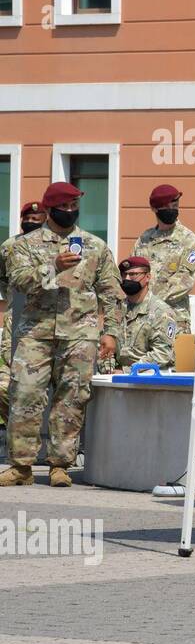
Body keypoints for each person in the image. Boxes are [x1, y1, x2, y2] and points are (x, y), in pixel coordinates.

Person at [0, 183, 122, 488]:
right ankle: (21, 467)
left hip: (80, 335)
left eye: (73, 207)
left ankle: (60, 465)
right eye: (63, 207)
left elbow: (111, 293)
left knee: (71, 400)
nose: (69, 212)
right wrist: (51, 266)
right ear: (49, 208)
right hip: (35, 334)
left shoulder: (95, 246)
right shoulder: (22, 245)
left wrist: (112, 334)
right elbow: (19, 281)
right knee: (24, 395)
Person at [133, 183, 195, 335]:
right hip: (142, 319)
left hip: (173, 318)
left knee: (173, 359)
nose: (173, 210)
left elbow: (184, 281)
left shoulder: (189, 239)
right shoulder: (144, 239)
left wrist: (150, 302)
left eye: (175, 205)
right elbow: (134, 274)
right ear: (154, 209)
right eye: (167, 207)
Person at [0, 201, 46, 423]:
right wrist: (12, 300)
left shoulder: (52, 245)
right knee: (11, 372)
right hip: (16, 315)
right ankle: (16, 427)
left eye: (36, 220)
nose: (30, 223)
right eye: (27, 220)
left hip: (45, 315)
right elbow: (3, 278)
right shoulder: (9, 246)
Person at [105, 257, 178, 372]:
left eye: (133, 274)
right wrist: (108, 369)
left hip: (151, 376)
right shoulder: (116, 309)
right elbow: (106, 345)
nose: (127, 278)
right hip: (118, 377)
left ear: (147, 277)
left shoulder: (162, 312)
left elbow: (162, 354)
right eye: (124, 275)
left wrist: (127, 371)